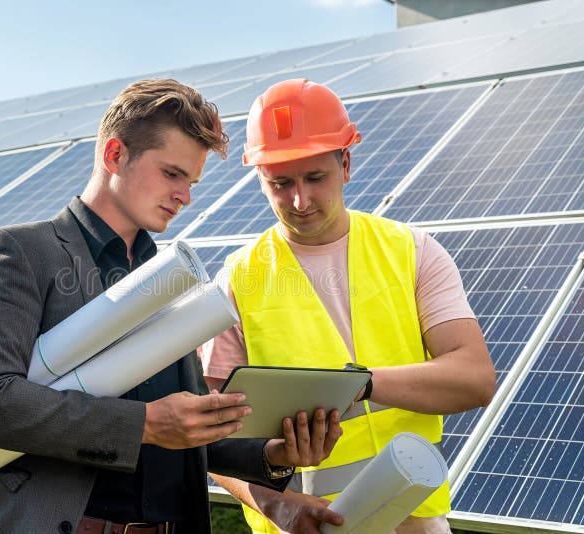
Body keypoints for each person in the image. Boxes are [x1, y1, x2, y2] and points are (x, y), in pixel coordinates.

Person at [0, 78, 342, 534]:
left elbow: (185, 428)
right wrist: (144, 425)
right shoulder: (21, 251)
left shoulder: (175, 279)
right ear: (114, 154)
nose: (186, 196)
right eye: (172, 174)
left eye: (192, 181)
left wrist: (273, 454)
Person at [200, 78, 497, 534]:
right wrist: (278, 506)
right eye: (280, 184)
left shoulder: (412, 251)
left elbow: (474, 379)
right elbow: (211, 436)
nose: (299, 201)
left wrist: (358, 385)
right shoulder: (238, 280)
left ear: (346, 163)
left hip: (412, 519)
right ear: (259, 181)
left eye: (315, 177)